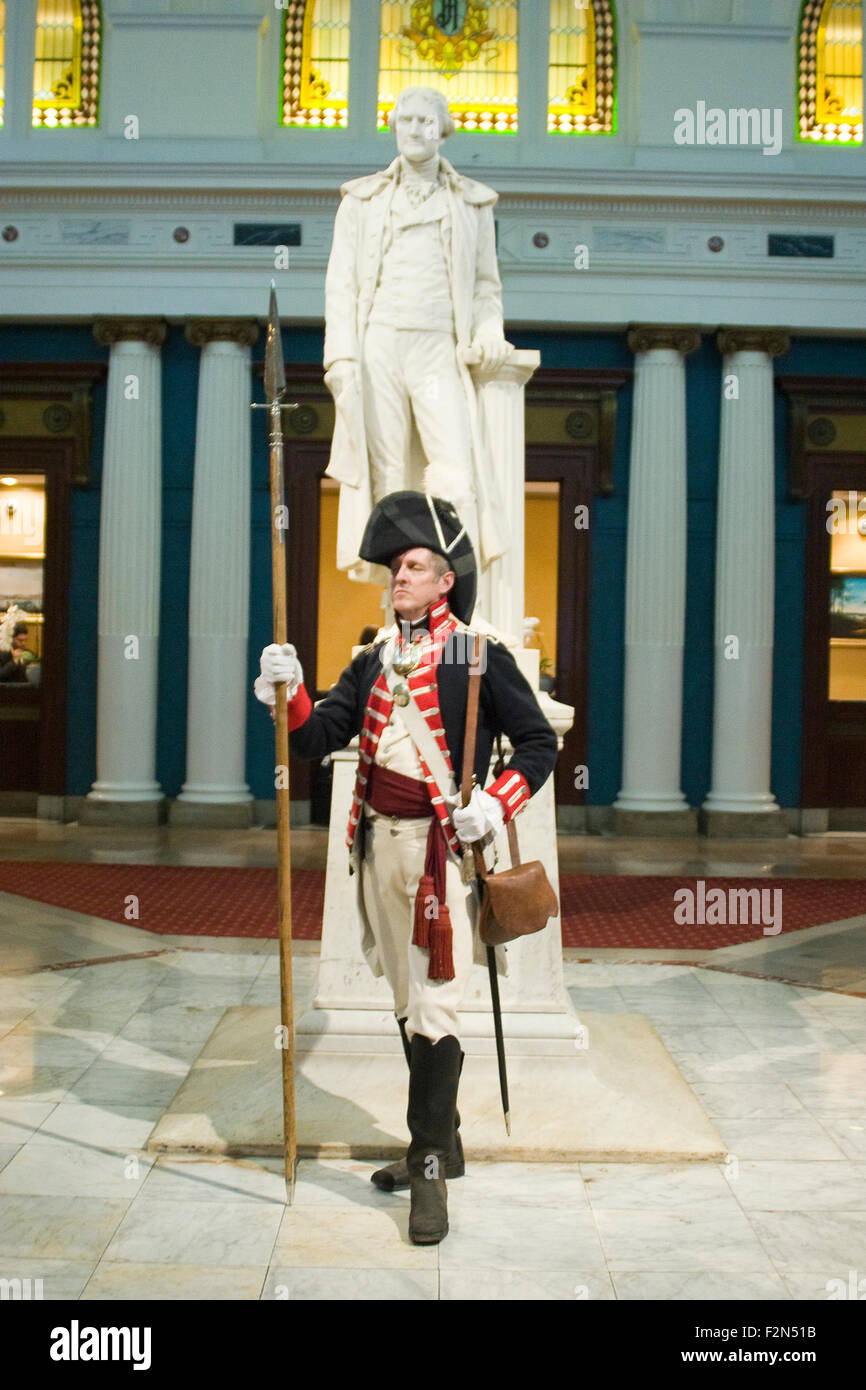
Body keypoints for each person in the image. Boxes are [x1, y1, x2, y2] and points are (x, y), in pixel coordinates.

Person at [254, 492, 558, 1245]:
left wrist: (493, 805)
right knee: (403, 997)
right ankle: (443, 1140)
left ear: (445, 580)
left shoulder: (471, 652)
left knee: (433, 1007)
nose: (399, 576)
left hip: (437, 856)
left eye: (415, 566)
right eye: (395, 566)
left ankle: (427, 1167)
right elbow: (317, 738)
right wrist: (288, 692)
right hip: (374, 846)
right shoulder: (373, 658)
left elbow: (537, 745)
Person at [322, 85, 511, 585]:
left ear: (443, 130)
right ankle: (398, 599)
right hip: (378, 342)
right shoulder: (362, 200)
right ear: (394, 126)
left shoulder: (472, 203)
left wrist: (490, 328)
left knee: (454, 471)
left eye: (426, 121)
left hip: (438, 345)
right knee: (388, 474)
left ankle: (452, 585)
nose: (415, 129)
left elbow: (486, 286)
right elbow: (340, 285)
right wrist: (340, 357)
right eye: (405, 120)